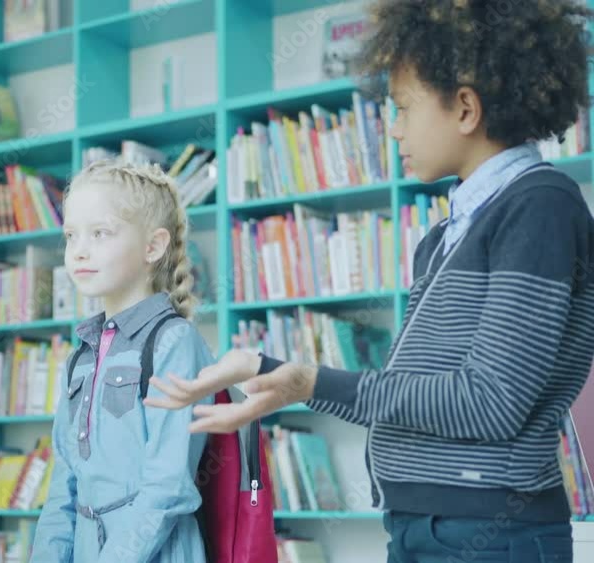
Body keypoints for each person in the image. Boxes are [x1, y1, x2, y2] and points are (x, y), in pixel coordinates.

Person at [144, 1, 594, 561]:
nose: (394, 128)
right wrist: (274, 375)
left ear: (465, 108)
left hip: (489, 534)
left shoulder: (538, 206)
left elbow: (490, 401)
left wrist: (309, 382)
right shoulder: (446, 235)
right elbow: (416, 394)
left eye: (402, 108)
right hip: (420, 525)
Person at [30, 160, 215, 563]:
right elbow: (64, 484)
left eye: (100, 233)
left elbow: (168, 487)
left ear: (153, 246)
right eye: (71, 235)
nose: (79, 250)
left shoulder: (174, 343)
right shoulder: (81, 354)